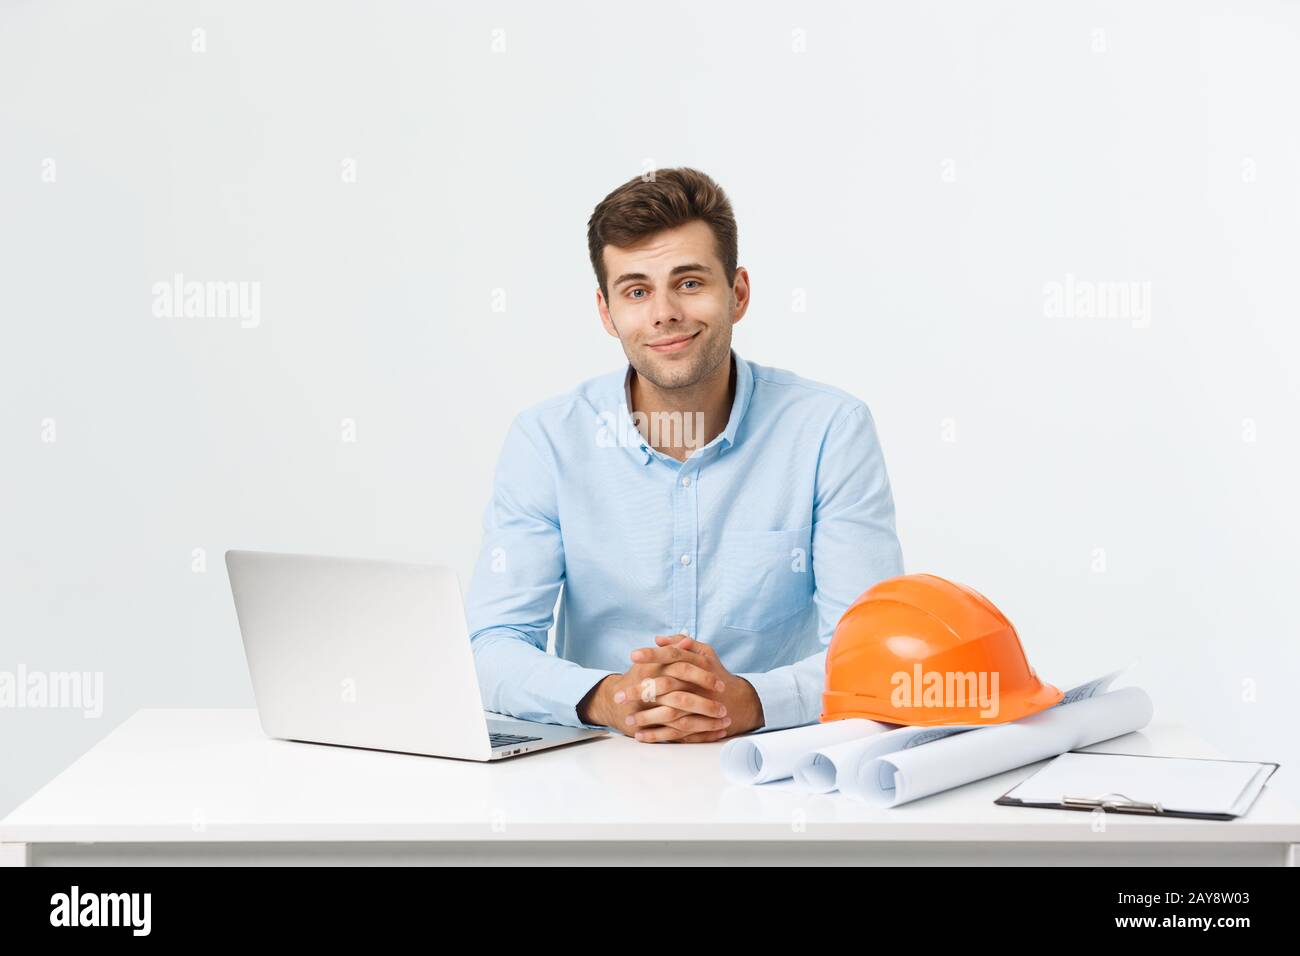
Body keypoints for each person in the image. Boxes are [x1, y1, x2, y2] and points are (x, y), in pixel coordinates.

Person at [465, 167, 903, 743]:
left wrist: (747, 701)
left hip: (779, 768)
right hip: (596, 771)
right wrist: (607, 697)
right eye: (637, 291)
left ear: (738, 293)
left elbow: (873, 654)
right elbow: (490, 645)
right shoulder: (547, 440)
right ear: (606, 311)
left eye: (690, 282)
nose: (664, 312)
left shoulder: (829, 431)